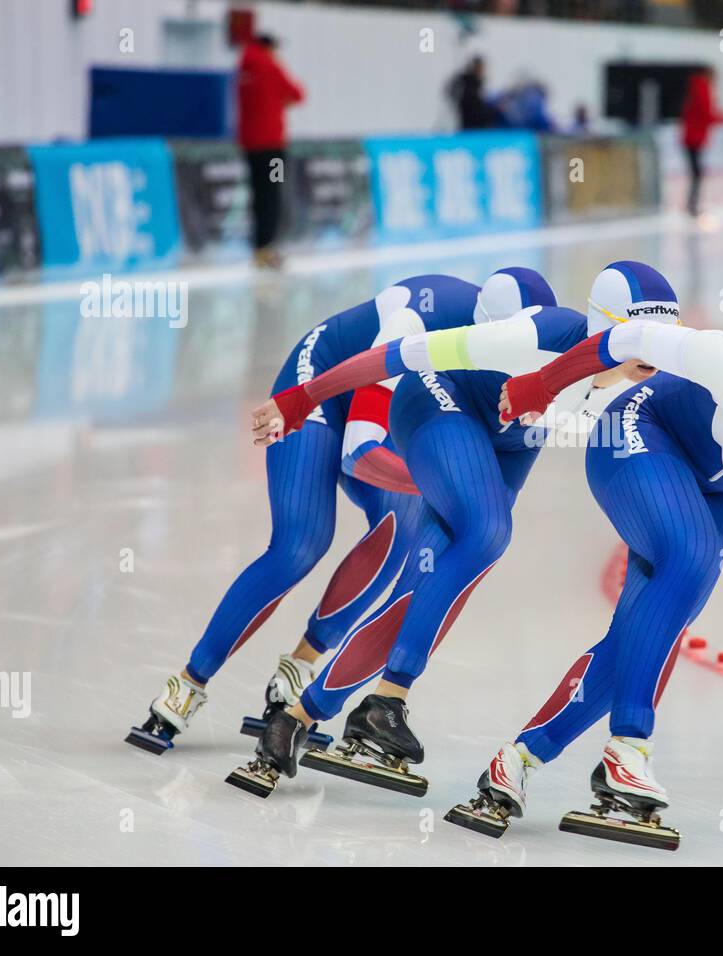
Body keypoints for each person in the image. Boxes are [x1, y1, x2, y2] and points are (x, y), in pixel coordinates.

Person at [447, 300, 723, 849]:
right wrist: (541, 385)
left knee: (651, 629)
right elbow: (632, 337)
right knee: (689, 560)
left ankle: (518, 760)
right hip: (641, 432)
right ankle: (628, 749)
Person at [230, 263, 680, 797]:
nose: (655, 350)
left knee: (439, 578)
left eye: (662, 337)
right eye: (639, 337)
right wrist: (304, 397)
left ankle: (298, 719)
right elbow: (401, 356)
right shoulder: (534, 336)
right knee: (488, 530)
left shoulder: (649, 374)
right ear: (604, 328)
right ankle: (386, 702)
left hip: (513, 440)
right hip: (439, 401)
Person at [126, 269, 554, 755]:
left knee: (401, 527)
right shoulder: (417, 318)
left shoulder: (539, 348)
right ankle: (189, 682)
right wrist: (453, 485)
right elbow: (360, 452)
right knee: (301, 543)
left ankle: (299, 667)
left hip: (405, 399)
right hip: (324, 386)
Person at [237, 34, 305, 270]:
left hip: (250, 145)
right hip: (271, 145)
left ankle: (259, 248)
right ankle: (267, 248)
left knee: (258, 195)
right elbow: (297, 93)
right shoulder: (269, 65)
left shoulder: (243, 67)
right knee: (272, 195)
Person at [679, 67, 723, 219]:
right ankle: (692, 206)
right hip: (694, 138)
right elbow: (707, 114)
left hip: (692, 137)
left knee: (696, 173)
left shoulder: (696, 89)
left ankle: (692, 205)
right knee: (697, 173)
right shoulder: (703, 90)